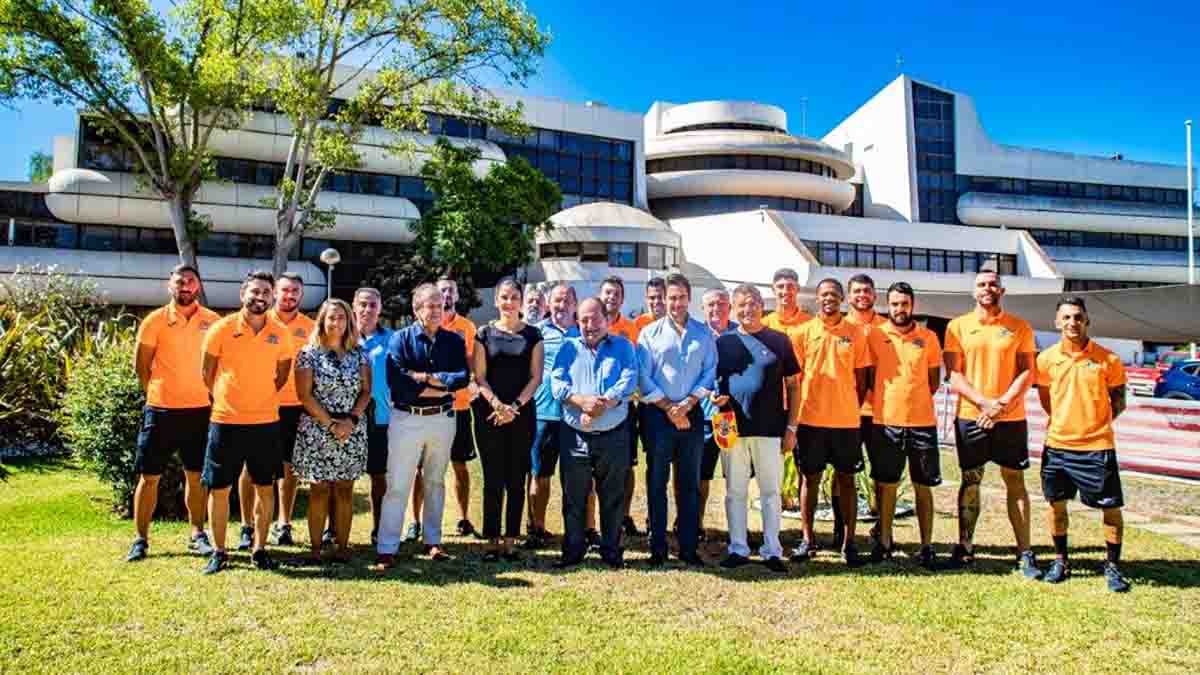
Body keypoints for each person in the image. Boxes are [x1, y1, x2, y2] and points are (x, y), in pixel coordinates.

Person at [943, 266, 1042, 579]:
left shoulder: (1020, 327)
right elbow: (954, 374)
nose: (987, 288)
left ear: (1002, 290)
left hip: (1010, 418)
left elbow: (1028, 372)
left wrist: (1000, 405)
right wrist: (984, 403)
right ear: (974, 291)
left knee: (1016, 482)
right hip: (971, 416)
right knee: (971, 480)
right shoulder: (957, 327)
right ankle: (965, 547)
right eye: (982, 284)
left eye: (993, 284)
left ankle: (1025, 552)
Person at [199, 271, 294, 574]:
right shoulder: (221, 329)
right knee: (219, 489)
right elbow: (207, 373)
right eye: (254, 291)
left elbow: (281, 376)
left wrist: (259, 398)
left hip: (266, 422)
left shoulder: (281, 333)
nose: (260, 297)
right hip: (225, 421)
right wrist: (227, 399)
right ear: (243, 294)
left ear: (273, 296)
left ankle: (260, 550)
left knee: (265, 488)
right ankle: (219, 550)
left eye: (266, 292)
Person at [1034, 297, 1131, 592]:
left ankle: (1112, 566)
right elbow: (1046, 401)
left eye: (1078, 317)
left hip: (1097, 447)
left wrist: (1094, 425)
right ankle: (1061, 560)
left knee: (1110, 508)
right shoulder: (1046, 359)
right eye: (1066, 318)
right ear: (1057, 322)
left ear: (1087, 321)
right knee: (1056, 506)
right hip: (1058, 447)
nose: (1072, 323)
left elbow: (1120, 401)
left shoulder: (1109, 359)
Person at [126, 264, 221, 562]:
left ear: (198, 286)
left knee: (196, 477)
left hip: (199, 411)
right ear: (170, 285)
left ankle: (197, 534)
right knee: (149, 477)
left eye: (191, 282)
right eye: (180, 282)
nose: (185, 286)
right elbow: (141, 366)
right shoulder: (154, 321)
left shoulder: (213, 321)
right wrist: (156, 393)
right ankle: (140, 539)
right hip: (161, 410)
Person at [375, 284, 470, 568]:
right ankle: (387, 547)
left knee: (435, 482)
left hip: (442, 419)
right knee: (398, 484)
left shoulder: (453, 341)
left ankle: (433, 541)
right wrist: (440, 384)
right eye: (429, 305)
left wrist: (425, 378)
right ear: (416, 309)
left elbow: (461, 378)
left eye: (439, 305)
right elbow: (399, 383)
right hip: (407, 419)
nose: (435, 311)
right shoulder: (400, 340)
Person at [716, 284, 801, 573]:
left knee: (770, 491)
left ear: (761, 306)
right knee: (734, 491)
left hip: (770, 427)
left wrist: (792, 426)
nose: (747, 309)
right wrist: (715, 398)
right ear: (734, 308)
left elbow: (793, 385)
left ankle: (771, 549)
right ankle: (737, 547)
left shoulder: (780, 341)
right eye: (741, 305)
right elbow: (712, 381)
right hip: (730, 426)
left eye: (752, 304)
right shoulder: (723, 342)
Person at [549, 297, 638, 568]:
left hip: (613, 433)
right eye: (584, 319)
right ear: (578, 321)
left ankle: (611, 551)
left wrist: (603, 403)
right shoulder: (568, 348)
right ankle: (573, 551)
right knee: (574, 496)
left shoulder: (623, 347)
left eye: (595, 318)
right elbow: (557, 383)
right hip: (575, 433)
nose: (590, 325)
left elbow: (629, 379)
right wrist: (580, 401)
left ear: (606, 319)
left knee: (612, 495)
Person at [637, 273, 717, 567]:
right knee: (657, 482)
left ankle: (687, 547)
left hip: (692, 415)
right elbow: (642, 375)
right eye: (671, 297)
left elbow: (710, 370)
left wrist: (688, 404)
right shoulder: (649, 333)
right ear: (664, 299)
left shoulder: (703, 334)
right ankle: (657, 547)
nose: (676, 303)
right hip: (658, 415)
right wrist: (670, 407)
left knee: (689, 484)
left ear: (689, 299)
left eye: (681, 297)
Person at [792, 278, 872, 567]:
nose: (829, 299)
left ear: (842, 300)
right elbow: (794, 379)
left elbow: (863, 380)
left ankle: (849, 543)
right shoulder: (802, 333)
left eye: (834, 295)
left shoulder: (856, 333)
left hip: (846, 422)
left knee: (847, 481)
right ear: (817, 298)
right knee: (809, 480)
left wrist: (847, 403)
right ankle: (807, 539)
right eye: (824, 295)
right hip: (810, 420)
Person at [865, 282, 943, 568]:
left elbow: (933, 381)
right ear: (888, 305)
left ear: (913, 305)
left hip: (922, 422)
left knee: (924, 485)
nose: (900, 309)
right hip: (886, 421)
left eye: (905, 304)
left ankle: (926, 545)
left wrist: (915, 400)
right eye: (895, 304)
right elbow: (869, 378)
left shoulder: (929, 337)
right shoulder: (875, 335)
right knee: (887, 485)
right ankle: (884, 541)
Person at [235, 273, 314, 550]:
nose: (290, 295)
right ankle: (247, 526)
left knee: (288, 468)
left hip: (296, 407)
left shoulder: (311, 327)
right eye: (285, 290)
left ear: (301, 296)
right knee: (250, 467)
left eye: (295, 291)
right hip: (258, 405)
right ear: (274, 293)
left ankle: (284, 523)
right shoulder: (260, 321)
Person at [293, 299, 372, 563]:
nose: (336, 322)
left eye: (341, 317)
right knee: (319, 490)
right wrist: (330, 424)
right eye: (331, 317)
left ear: (349, 322)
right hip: (318, 430)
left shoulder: (360, 354)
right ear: (322, 321)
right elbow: (304, 396)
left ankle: (342, 546)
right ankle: (316, 548)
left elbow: (366, 391)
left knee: (345, 489)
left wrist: (350, 420)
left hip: (351, 430)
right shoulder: (308, 354)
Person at [472, 279, 545, 561]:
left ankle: (511, 539)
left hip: (521, 413)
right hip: (489, 413)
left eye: (514, 297)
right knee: (493, 477)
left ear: (521, 301)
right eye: (504, 297)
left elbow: (536, 377)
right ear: (496, 300)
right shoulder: (483, 333)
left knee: (516, 477)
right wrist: (497, 404)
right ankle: (492, 539)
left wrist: (513, 407)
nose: (509, 302)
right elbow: (479, 377)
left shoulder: (533, 335)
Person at [410, 277, 477, 542]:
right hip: (426, 407)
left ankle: (463, 518)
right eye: (440, 291)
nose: (445, 295)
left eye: (451, 291)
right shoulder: (418, 329)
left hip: (458, 407)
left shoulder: (467, 328)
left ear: (457, 296)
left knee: (460, 465)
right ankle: (415, 521)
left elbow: (471, 367)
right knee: (419, 468)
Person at [525, 283, 580, 549]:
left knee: (577, 477)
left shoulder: (583, 332)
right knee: (540, 475)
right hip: (544, 414)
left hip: (574, 417)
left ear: (575, 304)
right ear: (549, 303)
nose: (561, 305)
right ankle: (537, 527)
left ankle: (579, 529)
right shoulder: (537, 333)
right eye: (557, 300)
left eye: (567, 301)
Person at [840, 274, 888, 549]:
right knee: (843, 473)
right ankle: (842, 531)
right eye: (856, 291)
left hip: (880, 413)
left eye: (867, 291)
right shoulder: (841, 326)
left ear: (875, 295)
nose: (862, 295)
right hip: (846, 413)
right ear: (849, 296)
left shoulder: (887, 327)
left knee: (881, 473)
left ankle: (881, 529)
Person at [762, 268, 812, 514]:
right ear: (773, 290)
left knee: (806, 470)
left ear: (797, 290)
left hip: (803, 408)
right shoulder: (764, 324)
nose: (785, 291)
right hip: (772, 408)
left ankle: (805, 530)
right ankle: (771, 515)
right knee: (767, 467)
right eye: (780, 286)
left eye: (790, 286)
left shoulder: (811, 325)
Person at [599, 275, 643, 540]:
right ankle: (595, 522)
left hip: (625, 407)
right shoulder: (589, 323)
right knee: (595, 466)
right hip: (595, 406)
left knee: (627, 465)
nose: (611, 297)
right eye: (607, 292)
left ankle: (624, 515)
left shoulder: (632, 328)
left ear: (622, 299)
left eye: (616, 294)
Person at [697, 288, 738, 538]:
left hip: (730, 418)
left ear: (729, 306)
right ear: (703, 309)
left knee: (735, 475)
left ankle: (736, 528)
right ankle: (697, 524)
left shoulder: (740, 333)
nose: (716, 309)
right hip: (702, 416)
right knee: (701, 474)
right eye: (711, 305)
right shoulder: (697, 334)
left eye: (722, 304)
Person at [355, 288, 392, 545]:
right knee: (339, 478)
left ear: (380, 309)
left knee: (379, 476)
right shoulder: (341, 337)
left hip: (381, 418)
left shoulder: (392, 339)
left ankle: (380, 529)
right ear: (354, 307)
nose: (367, 309)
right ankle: (333, 529)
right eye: (363, 304)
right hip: (347, 417)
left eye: (373, 305)